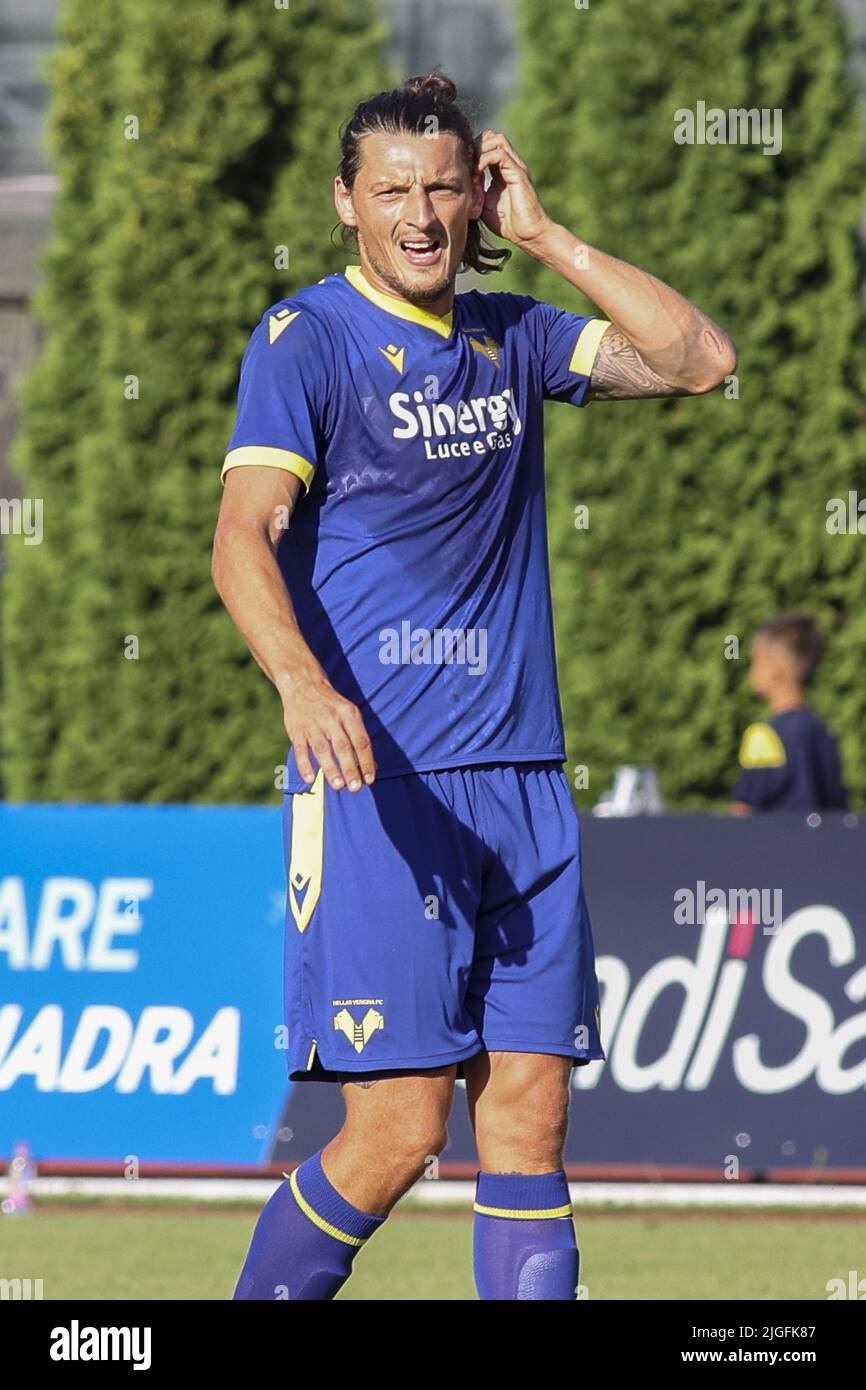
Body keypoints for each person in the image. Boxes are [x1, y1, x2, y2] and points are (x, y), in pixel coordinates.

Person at [212, 72, 736, 1301]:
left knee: (530, 1126)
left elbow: (699, 358)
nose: (421, 214)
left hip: (527, 793)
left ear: (477, 198)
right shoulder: (306, 343)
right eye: (391, 189)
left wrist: (547, 238)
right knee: (397, 1137)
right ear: (345, 203)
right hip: (377, 793)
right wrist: (298, 681)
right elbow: (241, 538)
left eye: (445, 188)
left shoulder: (516, 335)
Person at [731, 613, 847, 815]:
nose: (751, 671)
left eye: (756, 661)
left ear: (775, 670)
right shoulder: (822, 732)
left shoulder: (763, 736)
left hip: (775, 846)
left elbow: (743, 813)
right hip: (823, 846)